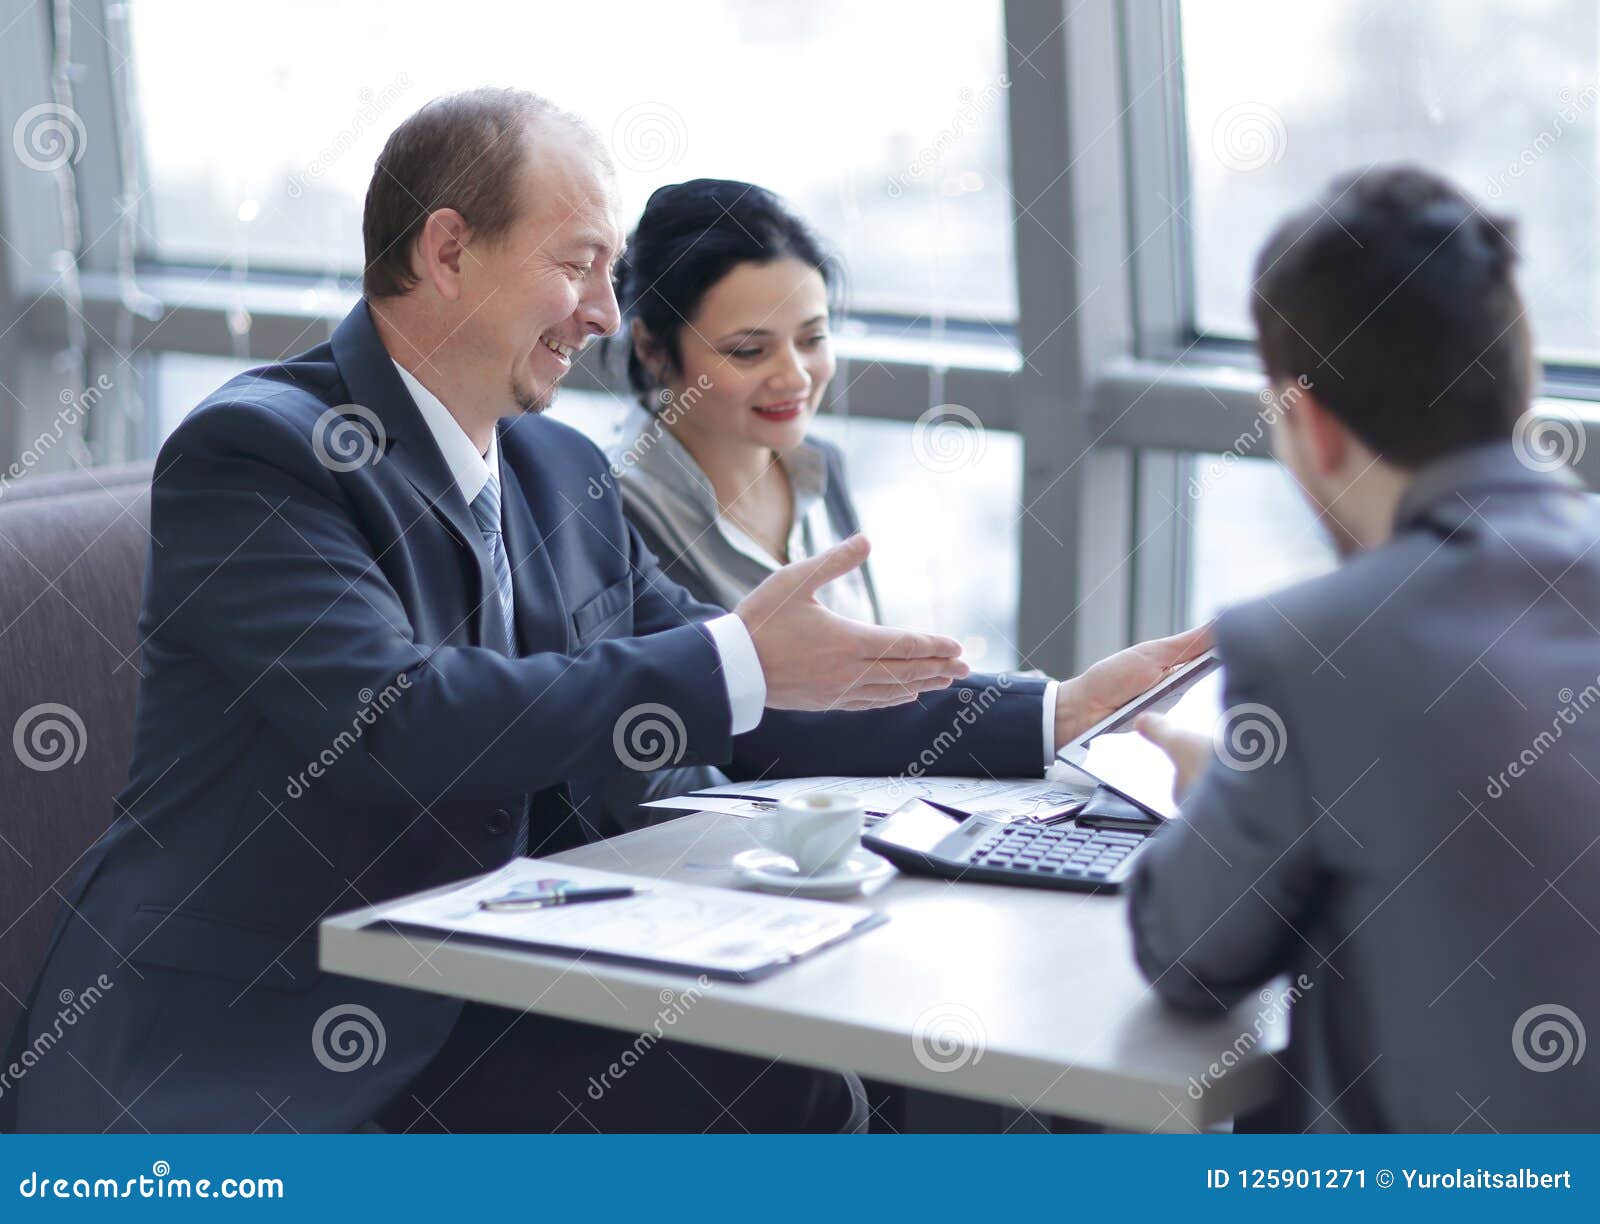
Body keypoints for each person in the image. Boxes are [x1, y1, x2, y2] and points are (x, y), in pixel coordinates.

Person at [4, 88, 1204, 1134]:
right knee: (785, 1096)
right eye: (576, 263)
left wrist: (1046, 713)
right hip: (265, 1025)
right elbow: (394, 723)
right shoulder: (261, 455)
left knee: (835, 1085)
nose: (598, 311)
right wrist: (733, 658)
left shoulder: (556, 472)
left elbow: (746, 700)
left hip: (487, 987)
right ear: (448, 251)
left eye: (609, 272)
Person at [1128, 165, 1600, 1132]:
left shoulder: (1314, 651)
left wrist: (1219, 787)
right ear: (1523, 378)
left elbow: (1185, 952)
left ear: (1304, 422)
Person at [609, 178, 879, 623]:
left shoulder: (821, 466)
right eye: (748, 351)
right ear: (652, 349)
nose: (794, 376)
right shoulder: (614, 517)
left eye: (812, 339)